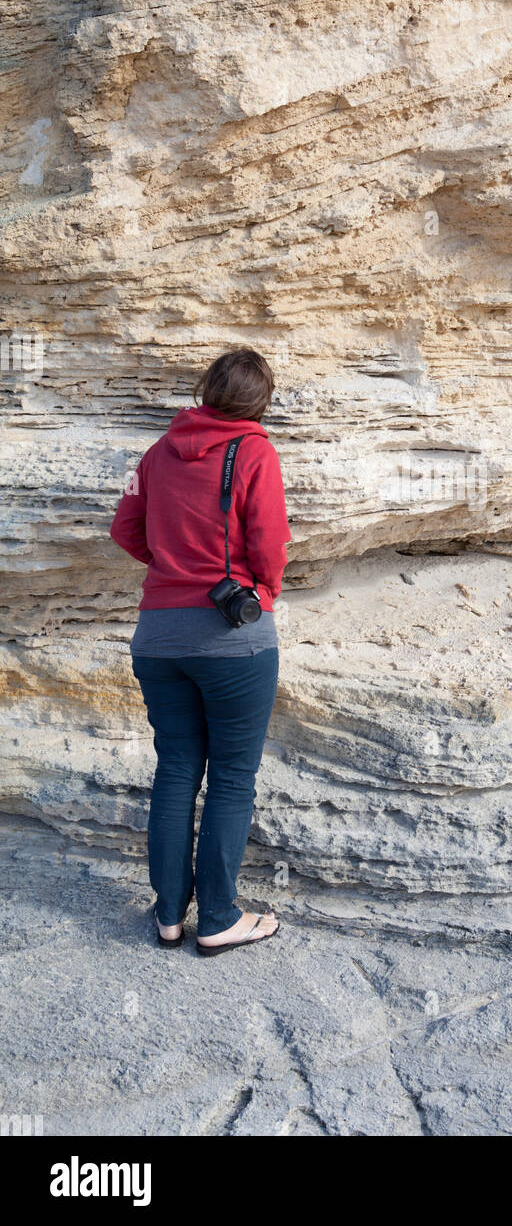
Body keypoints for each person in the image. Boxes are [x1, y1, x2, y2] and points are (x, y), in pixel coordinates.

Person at [110, 348, 291, 956]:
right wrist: (261, 591)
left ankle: (167, 916)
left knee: (177, 767)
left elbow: (125, 530)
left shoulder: (157, 453)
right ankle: (216, 917)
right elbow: (268, 542)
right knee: (233, 778)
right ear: (259, 402)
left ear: (206, 388)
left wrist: (171, 573)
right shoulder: (255, 451)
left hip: (157, 638)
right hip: (232, 641)